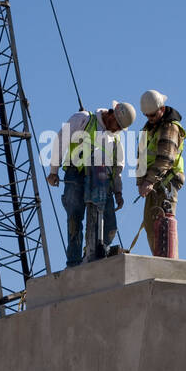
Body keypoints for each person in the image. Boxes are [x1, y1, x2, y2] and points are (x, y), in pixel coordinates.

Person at [47, 101, 136, 268]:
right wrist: (53, 170)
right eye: (117, 125)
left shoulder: (115, 138)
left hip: (102, 182)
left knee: (109, 225)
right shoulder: (84, 119)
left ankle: (93, 255)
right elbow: (61, 140)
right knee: (75, 217)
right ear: (111, 115)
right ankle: (74, 262)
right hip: (76, 174)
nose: (117, 130)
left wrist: (118, 191)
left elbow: (117, 168)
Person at [136, 90, 186, 258]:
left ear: (162, 109)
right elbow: (141, 155)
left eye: (152, 115)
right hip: (152, 184)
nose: (149, 118)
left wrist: (148, 181)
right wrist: (140, 181)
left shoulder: (170, 127)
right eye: (146, 115)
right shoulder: (149, 129)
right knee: (151, 225)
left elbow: (166, 158)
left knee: (163, 224)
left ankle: (167, 264)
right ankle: (159, 260)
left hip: (166, 183)